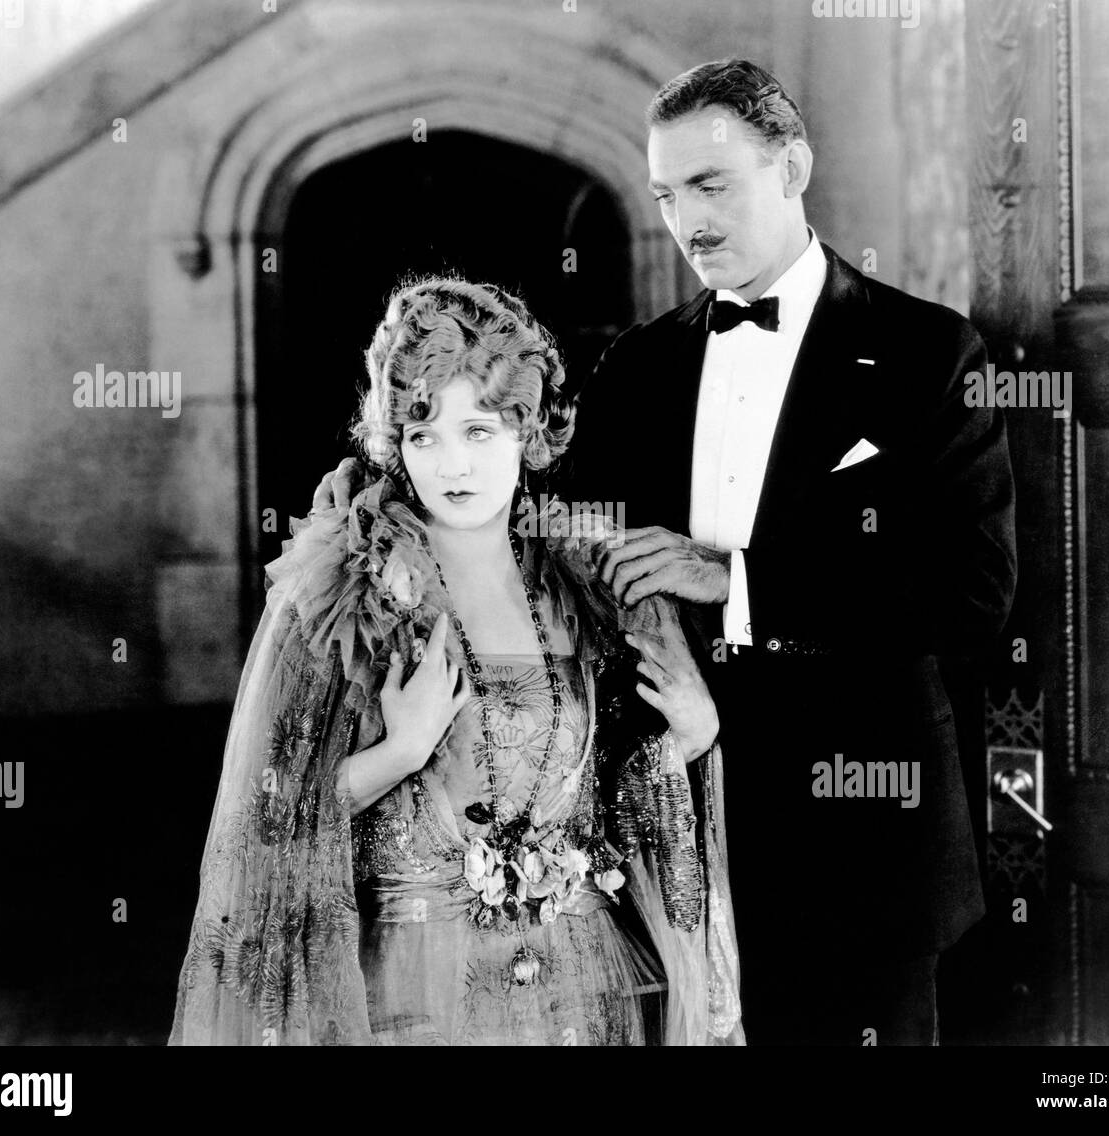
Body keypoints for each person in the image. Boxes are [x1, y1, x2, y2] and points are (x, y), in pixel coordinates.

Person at [320, 58, 1017, 1046]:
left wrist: (739, 581)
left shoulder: (928, 353)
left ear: (792, 167)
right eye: (664, 193)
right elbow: (545, 537)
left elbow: (974, 598)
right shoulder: (640, 364)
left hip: (861, 838)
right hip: (655, 837)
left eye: (711, 183)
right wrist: (386, 505)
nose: (686, 219)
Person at [169, 276, 743, 1046]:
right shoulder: (350, 581)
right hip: (414, 997)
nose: (451, 465)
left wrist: (692, 737)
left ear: (527, 429)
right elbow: (262, 825)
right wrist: (397, 752)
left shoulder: (586, 577)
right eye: (423, 434)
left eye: (479, 431)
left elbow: (618, 804)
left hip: (578, 990)